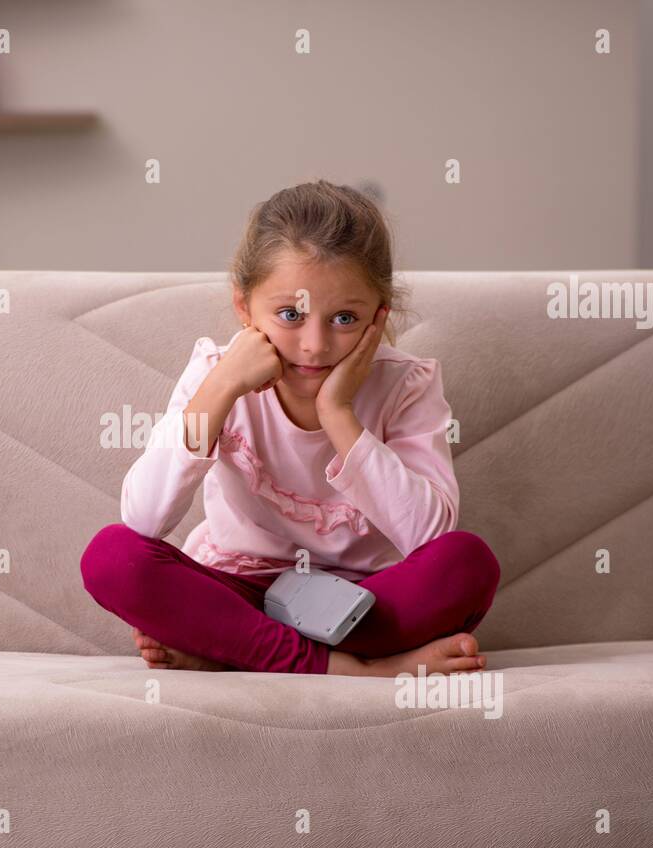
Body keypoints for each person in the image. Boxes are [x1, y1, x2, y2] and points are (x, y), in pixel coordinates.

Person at [80, 180, 500, 676]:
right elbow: (144, 518)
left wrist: (338, 413)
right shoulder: (217, 372)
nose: (315, 345)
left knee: (466, 563)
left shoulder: (406, 383)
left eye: (344, 317)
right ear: (243, 308)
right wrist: (220, 389)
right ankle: (357, 670)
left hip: (359, 603)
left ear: (378, 316)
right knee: (112, 557)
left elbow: (428, 536)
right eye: (290, 315)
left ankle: (239, 654)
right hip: (240, 591)